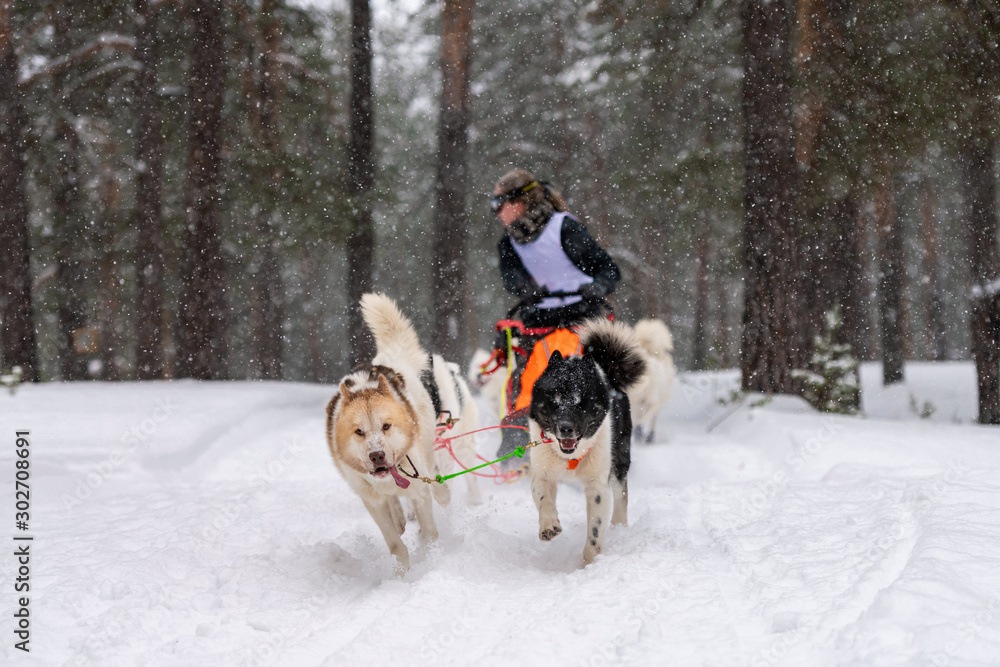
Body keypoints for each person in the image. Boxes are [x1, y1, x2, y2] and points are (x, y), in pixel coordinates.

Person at [490, 168, 621, 465]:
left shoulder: (564, 229)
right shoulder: (508, 242)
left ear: (519, 202)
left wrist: (598, 287)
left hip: (582, 315)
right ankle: (516, 452)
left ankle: (603, 451)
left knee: (593, 381)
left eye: (499, 203)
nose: (496, 211)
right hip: (539, 319)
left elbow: (609, 270)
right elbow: (511, 278)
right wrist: (526, 289)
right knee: (525, 382)